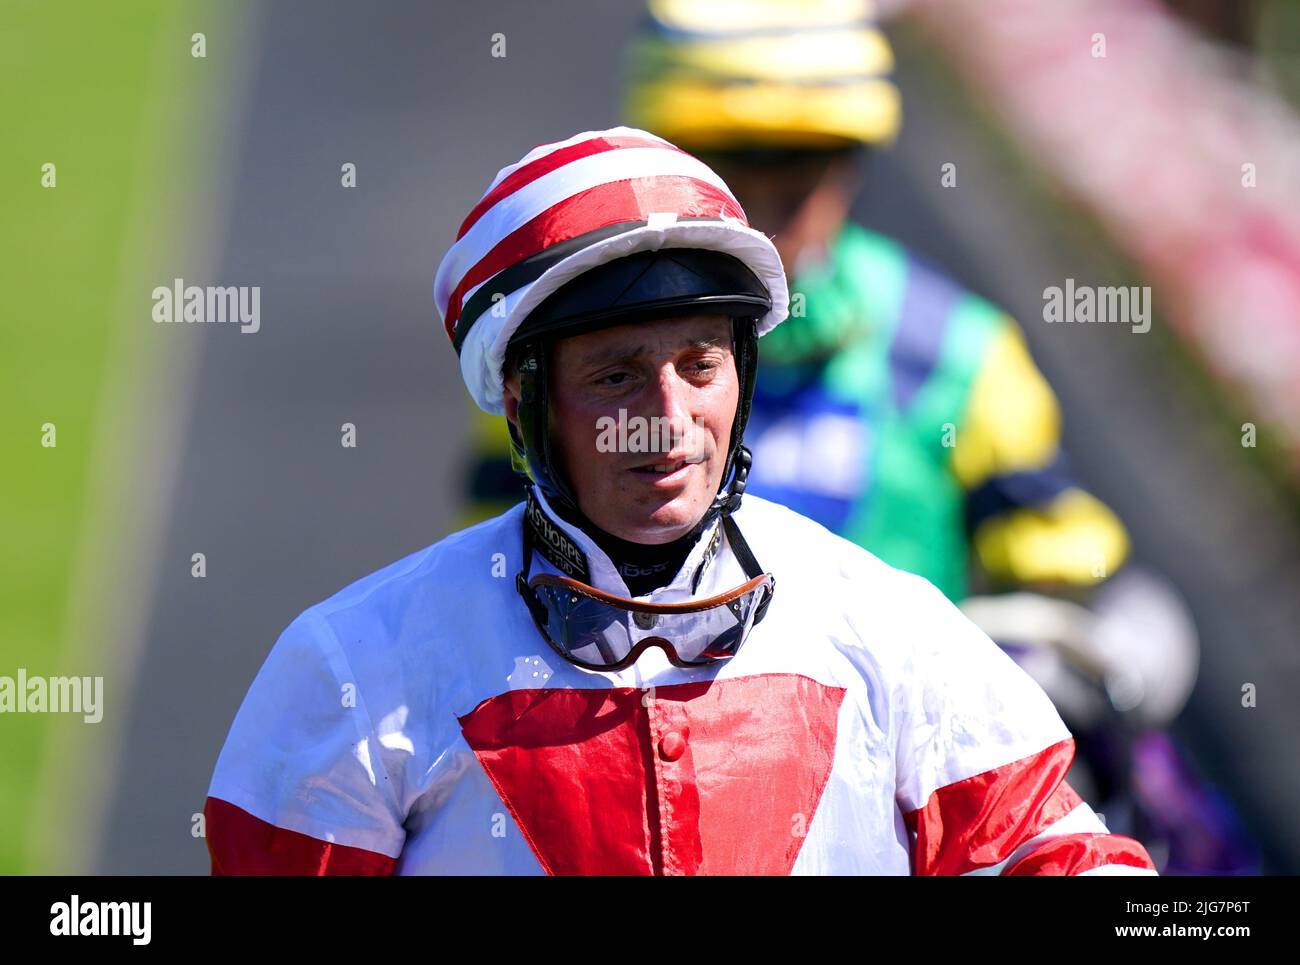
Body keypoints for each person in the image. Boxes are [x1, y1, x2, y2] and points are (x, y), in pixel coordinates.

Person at [203, 128, 1157, 875]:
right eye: (616, 374)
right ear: (526, 403)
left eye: (701, 364)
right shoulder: (350, 670)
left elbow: (1055, 855)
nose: (668, 417)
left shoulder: (891, 627)